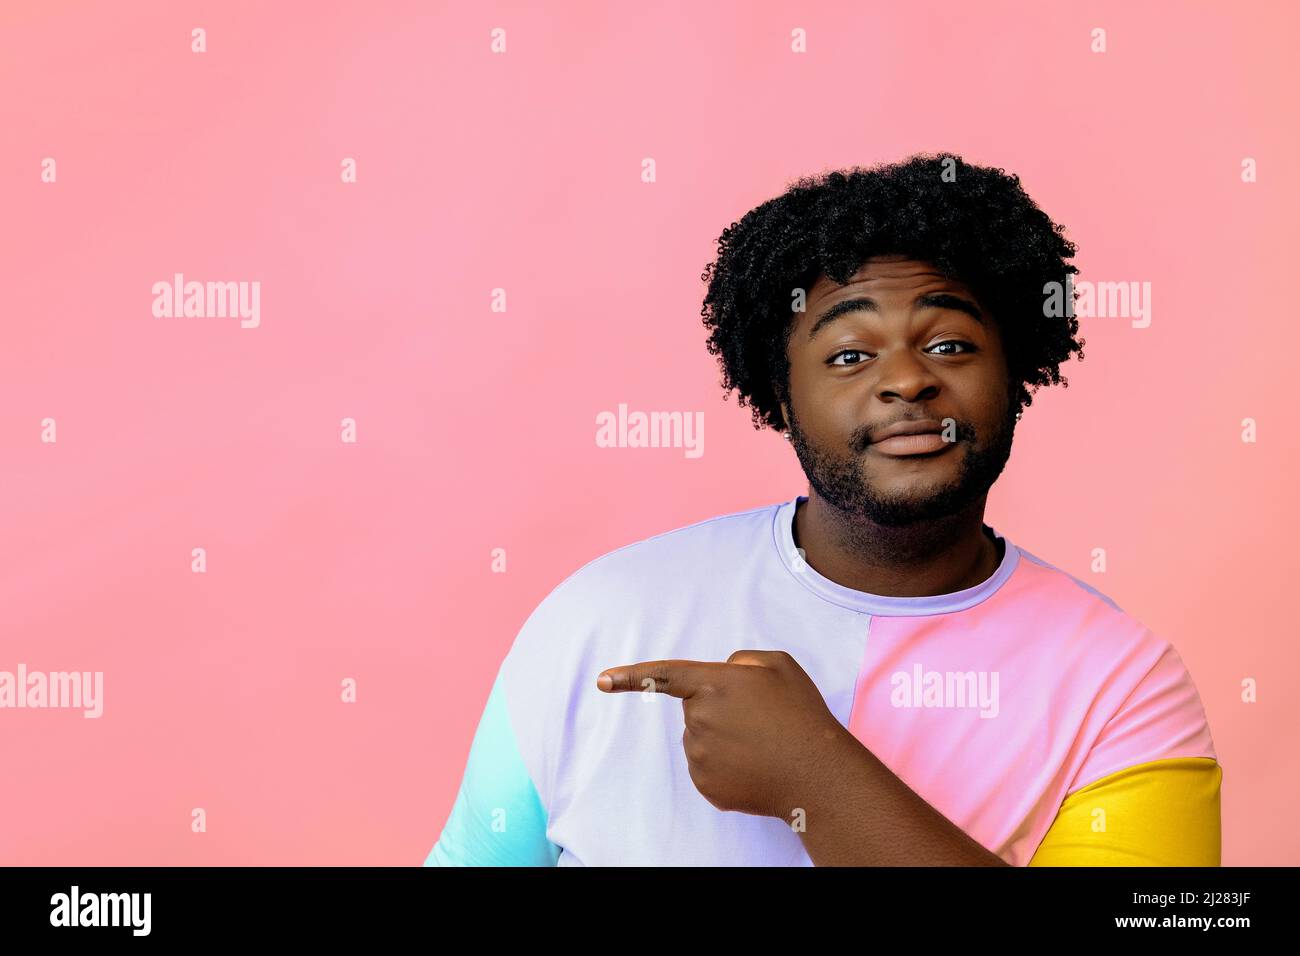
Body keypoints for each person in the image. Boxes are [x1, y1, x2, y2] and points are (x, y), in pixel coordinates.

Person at [424, 154, 1220, 866]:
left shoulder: (1125, 688)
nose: (907, 380)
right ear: (779, 396)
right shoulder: (601, 619)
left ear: (1017, 376)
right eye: (848, 355)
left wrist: (816, 775)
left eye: (949, 345)